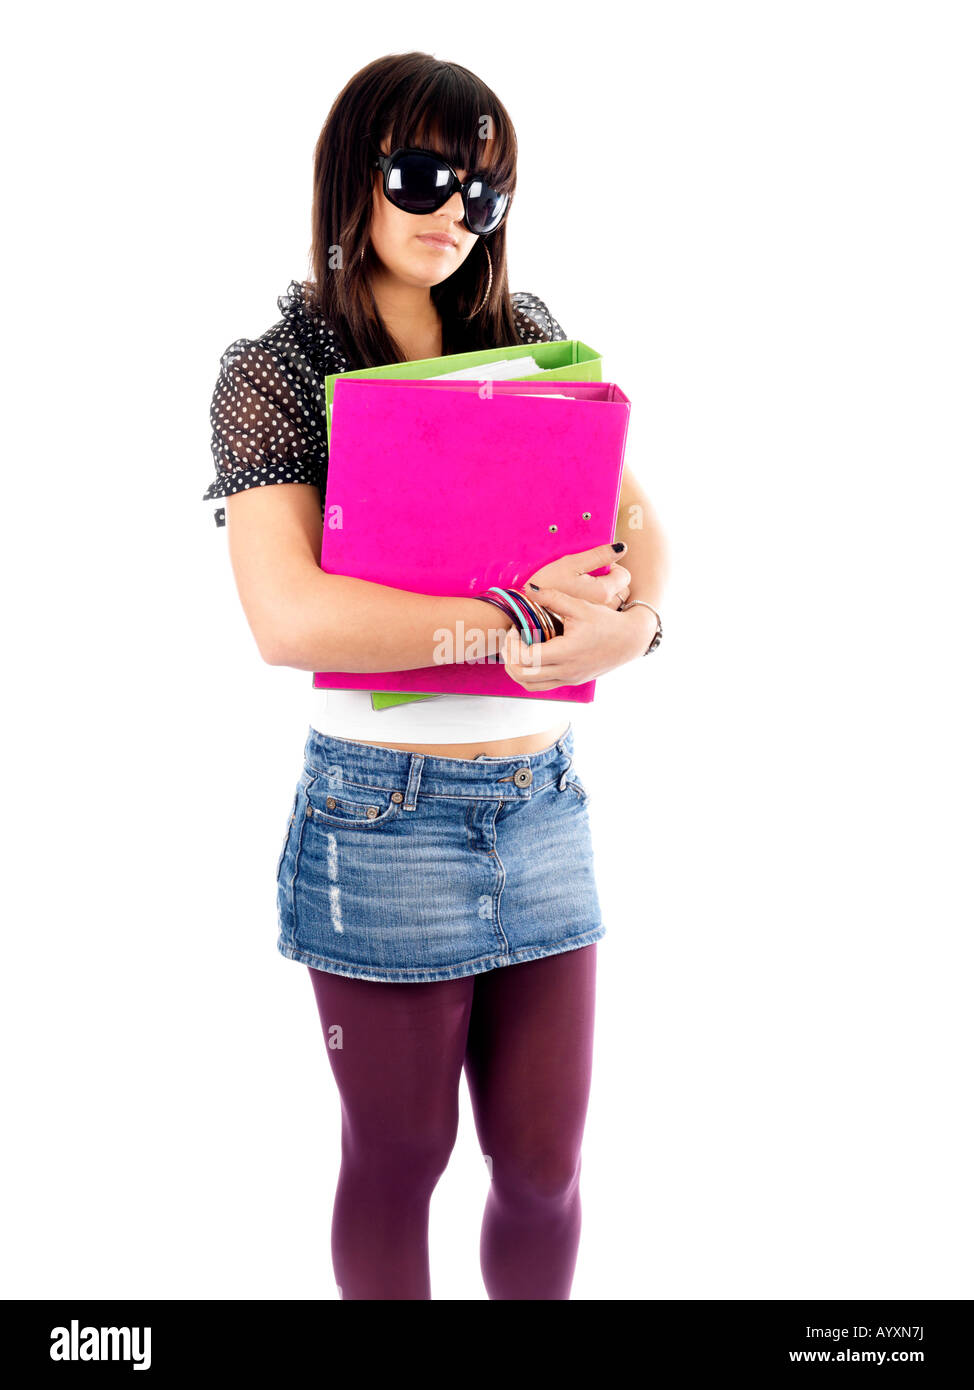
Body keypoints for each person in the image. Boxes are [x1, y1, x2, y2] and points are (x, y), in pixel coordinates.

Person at [202, 52, 669, 1300]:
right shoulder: (278, 368)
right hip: (380, 814)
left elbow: (633, 523)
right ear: (354, 175)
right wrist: (509, 617)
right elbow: (286, 616)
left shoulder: (525, 340)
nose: (458, 213)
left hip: (541, 806)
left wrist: (639, 625)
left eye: (486, 191)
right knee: (397, 1157)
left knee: (542, 1169)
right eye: (427, 177)